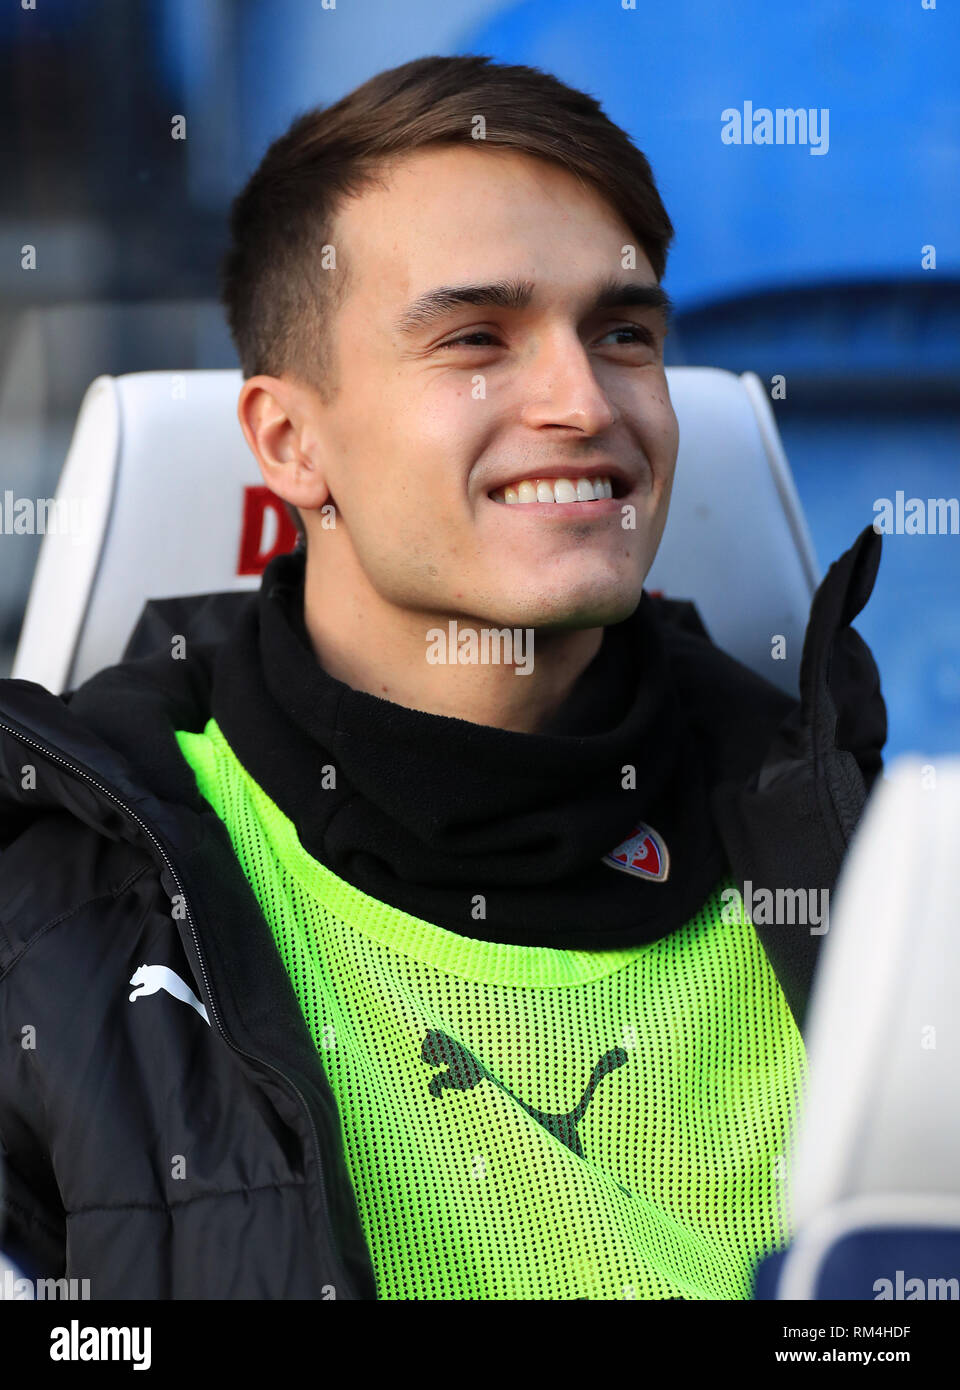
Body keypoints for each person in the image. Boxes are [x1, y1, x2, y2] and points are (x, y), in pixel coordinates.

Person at [0, 54, 886, 1300]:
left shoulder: (876, 862)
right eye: (476, 337)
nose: (584, 403)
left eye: (623, 334)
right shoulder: (54, 921)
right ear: (289, 443)